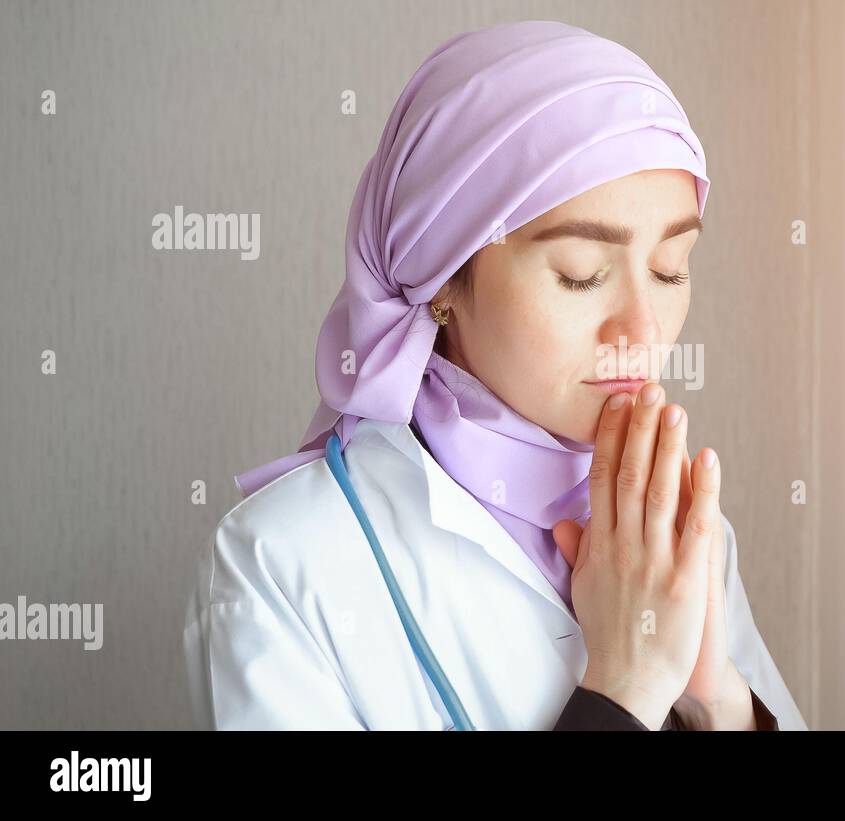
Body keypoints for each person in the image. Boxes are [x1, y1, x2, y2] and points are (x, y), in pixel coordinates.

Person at [182, 19, 806, 731]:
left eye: (671, 269)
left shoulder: (679, 529)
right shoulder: (282, 564)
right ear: (443, 278)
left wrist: (719, 700)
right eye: (582, 274)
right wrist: (625, 688)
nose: (643, 330)